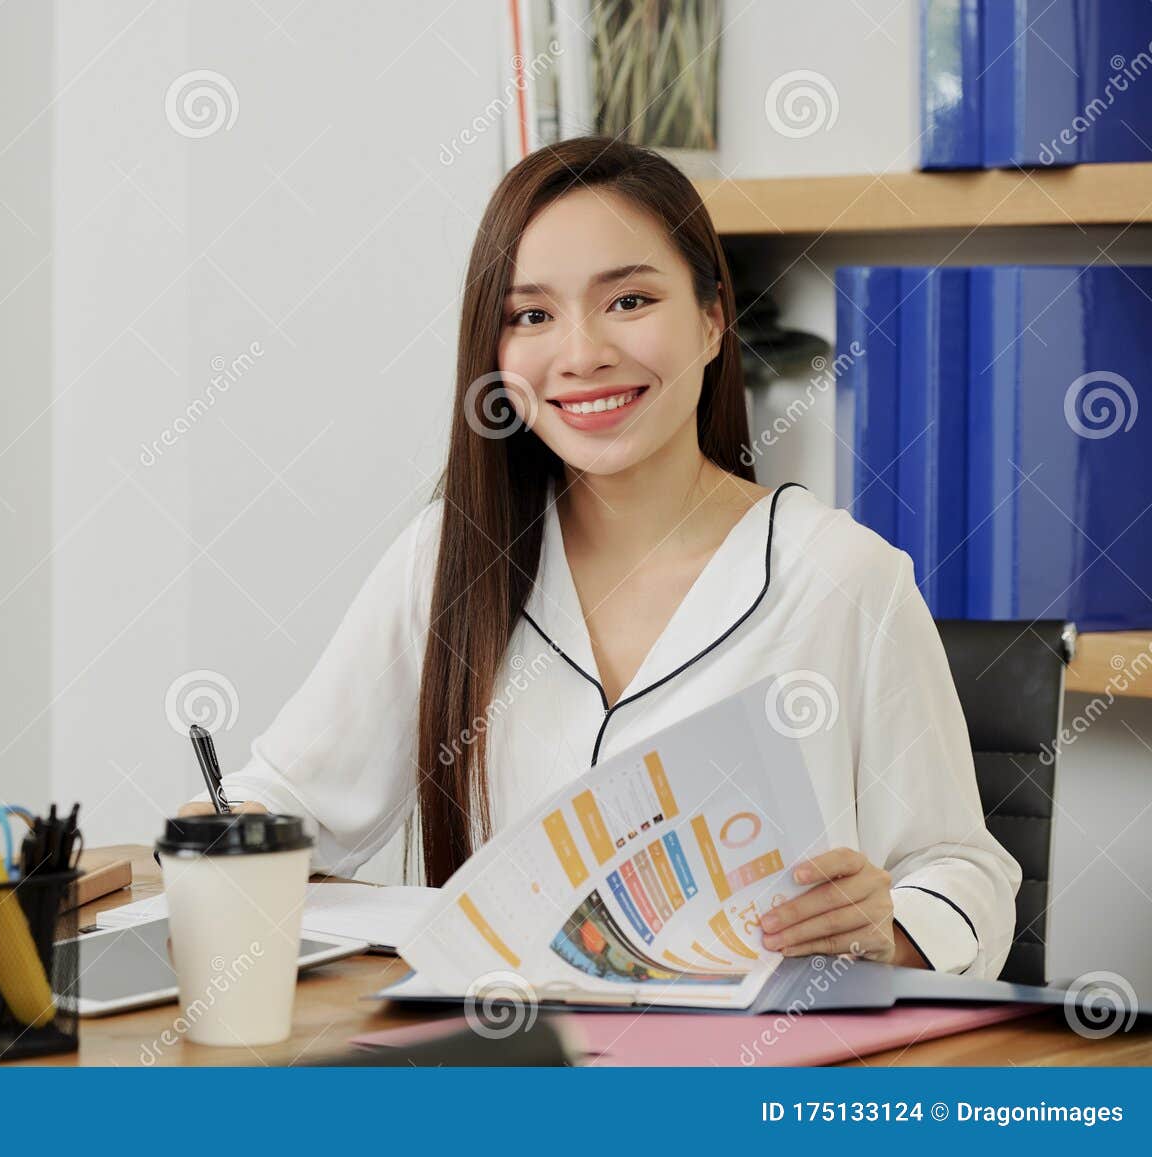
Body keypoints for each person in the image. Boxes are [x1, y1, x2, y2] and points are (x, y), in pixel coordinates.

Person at [180, 136, 1020, 980]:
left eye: (628, 300)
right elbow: (284, 803)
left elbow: (964, 875)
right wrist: (227, 827)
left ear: (711, 318)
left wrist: (886, 928)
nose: (581, 354)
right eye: (532, 315)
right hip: (509, 1066)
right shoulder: (450, 557)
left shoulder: (845, 577)